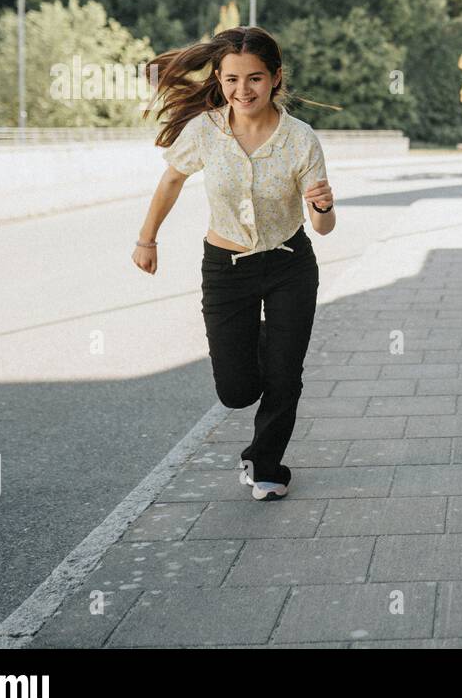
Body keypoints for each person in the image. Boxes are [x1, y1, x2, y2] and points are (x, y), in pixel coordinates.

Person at [132, 26, 335, 500]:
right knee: (236, 391)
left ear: (275, 78)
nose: (243, 90)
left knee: (286, 375)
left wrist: (323, 207)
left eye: (255, 79)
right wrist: (147, 239)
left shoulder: (301, 140)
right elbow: (171, 182)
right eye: (231, 80)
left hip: (289, 264)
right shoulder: (205, 130)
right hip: (226, 267)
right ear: (219, 81)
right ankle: (268, 337)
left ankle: (265, 466)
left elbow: (323, 228)